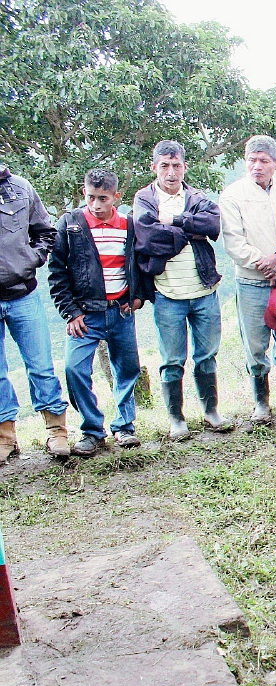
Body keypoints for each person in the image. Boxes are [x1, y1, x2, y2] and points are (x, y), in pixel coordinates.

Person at [133, 140, 229, 441]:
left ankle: (211, 411)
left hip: (203, 290)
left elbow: (213, 225)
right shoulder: (145, 199)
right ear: (154, 168)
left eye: (176, 165)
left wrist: (174, 221)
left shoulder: (195, 196)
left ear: (184, 167)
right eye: (165, 166)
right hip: (167, 293)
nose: (171, 172)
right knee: (172, 360)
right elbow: (147, 237)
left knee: (207, 356)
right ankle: (176, 419)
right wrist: (189, 232)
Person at [47, 169, 145, 456]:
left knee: (127, 369)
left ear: (117, 196)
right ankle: (92, 430)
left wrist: (137, 296)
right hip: (85, 315)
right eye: (91, 197)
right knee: (74, 368)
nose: (96, 205)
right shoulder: (71, 224)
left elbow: (139, 263)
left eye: (103, 198)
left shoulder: (128, 225)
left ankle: (124, 427)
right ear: (83, 193)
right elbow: (57, 273)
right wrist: (70, 312)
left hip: (121, 311)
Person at [219, 135, 276, 424]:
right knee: (256, 346)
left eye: (263, 161)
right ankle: (261, 403)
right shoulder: (232, 195)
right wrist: (265, 264)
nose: (256, 166)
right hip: (251, 282)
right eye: (252, 160)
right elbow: (234, 242)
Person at [0, 164, 71, 460]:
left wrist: (32, 259)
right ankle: (5, 438)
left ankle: (57, 432)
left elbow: (44, 231)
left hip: (23, 294)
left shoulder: (20, 187)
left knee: (41, 365)